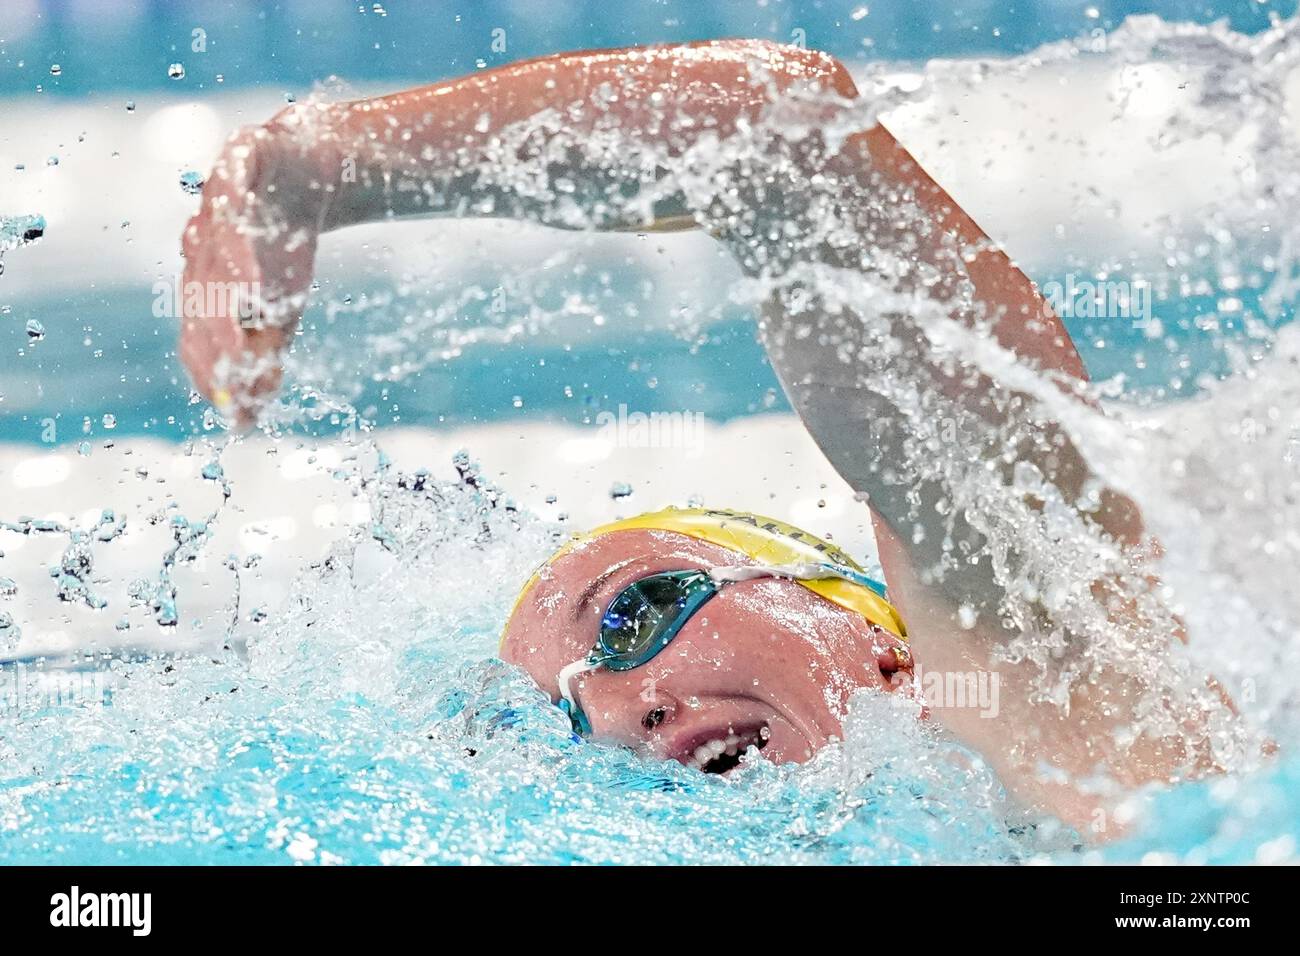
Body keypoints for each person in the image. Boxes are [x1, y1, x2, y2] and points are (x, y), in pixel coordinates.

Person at [179, 39, 1242, 834]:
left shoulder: (1054, 702)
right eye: (563, 722)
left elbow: (779, 137)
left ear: (864, 625)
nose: (612, 708)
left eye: (635, 612)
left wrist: (309, 170)